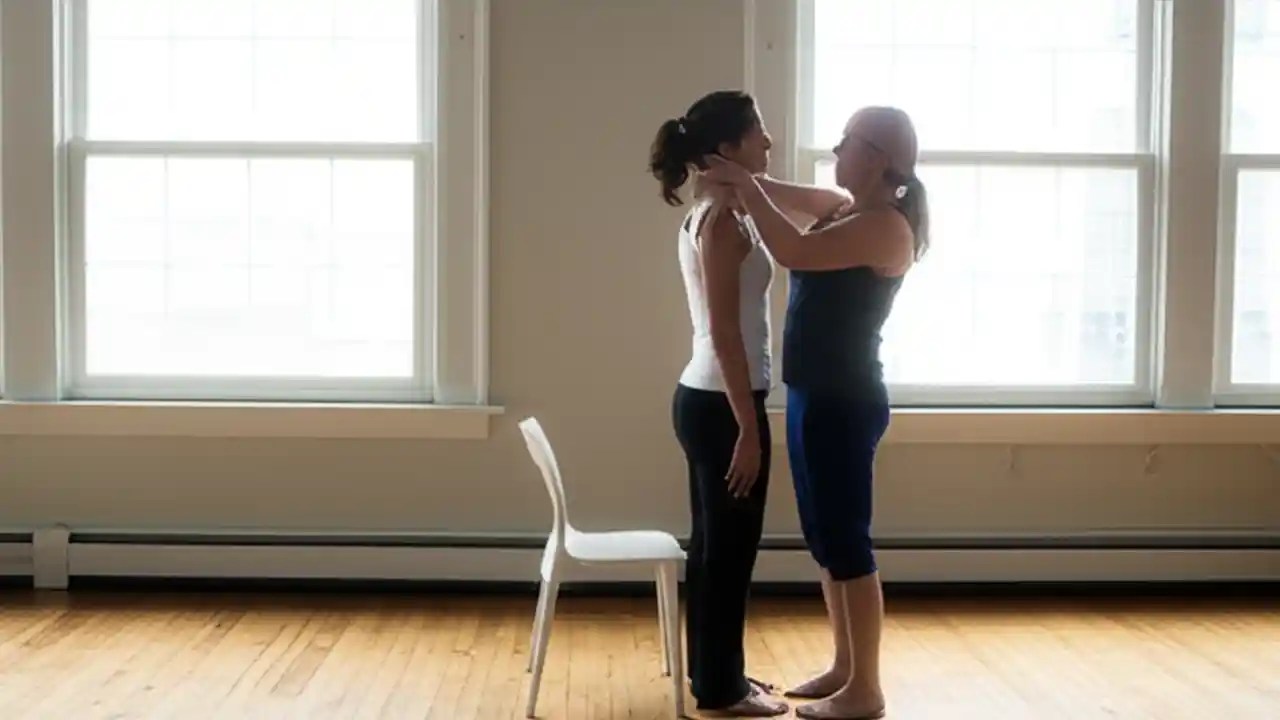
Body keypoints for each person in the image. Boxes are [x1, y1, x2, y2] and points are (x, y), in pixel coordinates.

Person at [701, 106, 929, 720]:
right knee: (825, 539)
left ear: (878, 157)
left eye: (847, 141)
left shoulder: (885, 226)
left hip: (844, 401)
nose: (834, 148)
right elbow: (773, 193)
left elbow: (793, 250)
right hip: (812, 397)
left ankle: (866, 690)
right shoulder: (841, 205)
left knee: (848, 541)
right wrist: (733, 175)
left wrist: (745, 187)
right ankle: (843, 666)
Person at [649, 90, 788, 717]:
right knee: (727, 550)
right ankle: (721, 689)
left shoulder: (726, 211)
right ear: (727, 148)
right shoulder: (722, 224)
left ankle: (718, 675)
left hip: (711, 398)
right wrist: (749, 430)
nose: (769, 142)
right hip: (721, 403)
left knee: (715, 547)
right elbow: (727, 333)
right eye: (758, 133)